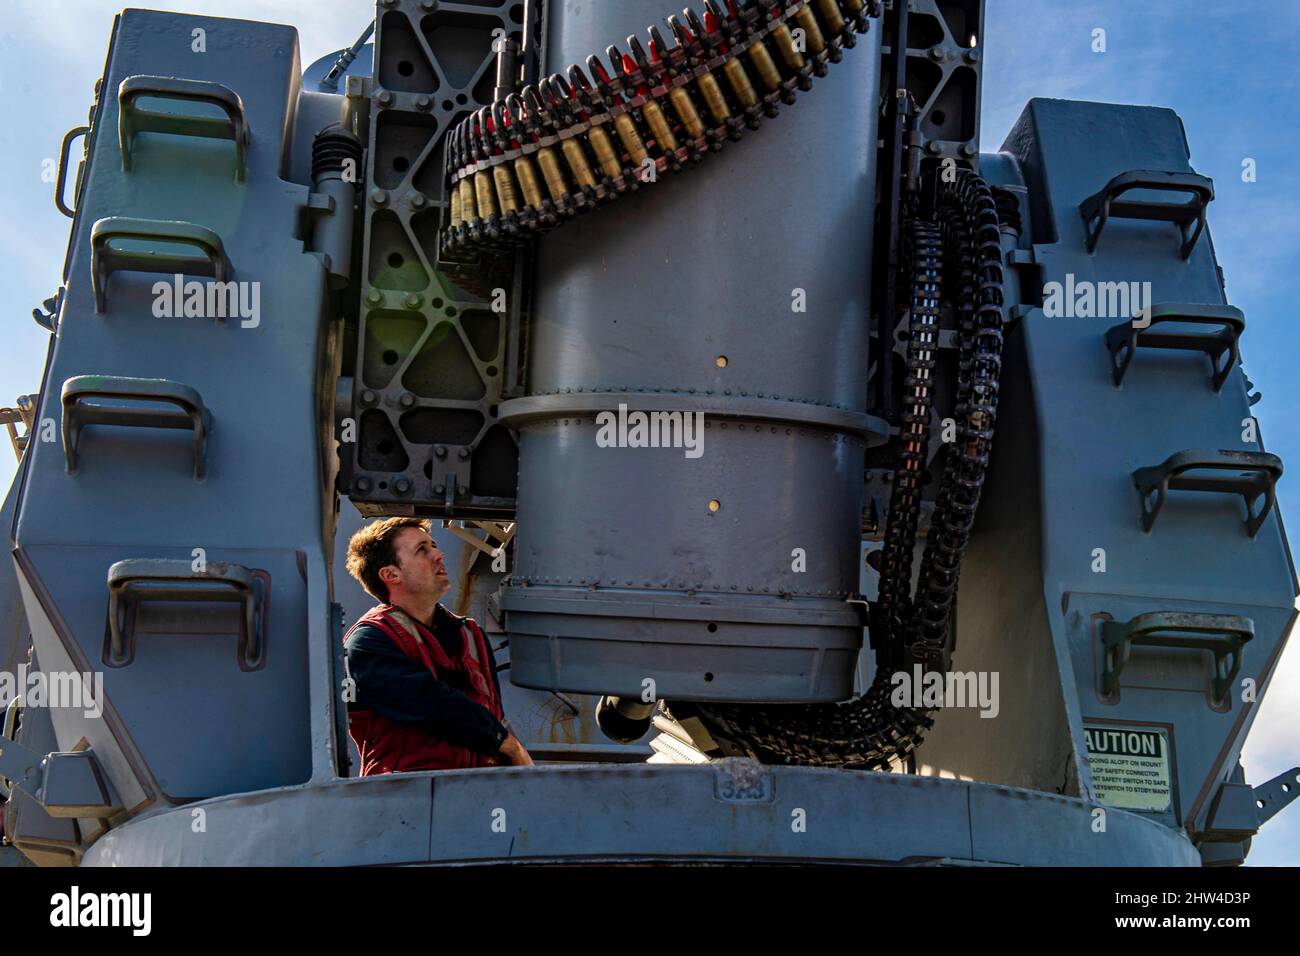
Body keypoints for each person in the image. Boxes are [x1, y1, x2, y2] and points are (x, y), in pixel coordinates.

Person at [342, 516, 533, 774]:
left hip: (480, 794)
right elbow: (431, 705)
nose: (439, 555)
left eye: (434, 546)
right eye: (422, 550)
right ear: (390, 574)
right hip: (406, 799)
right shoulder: (369, 641)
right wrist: (509, 745)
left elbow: (494, 713)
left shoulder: (471, 634)